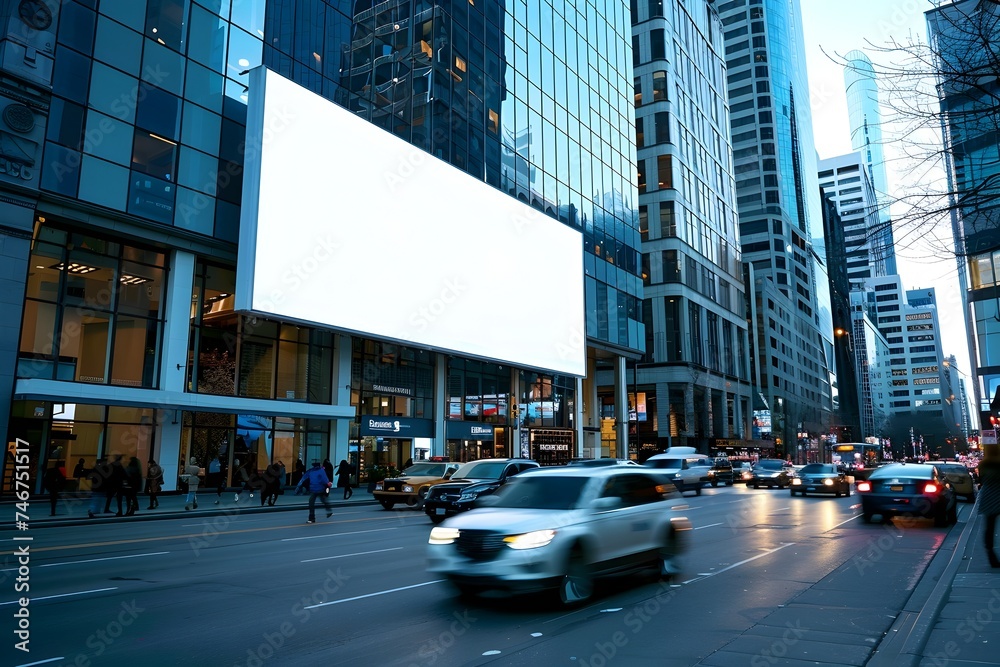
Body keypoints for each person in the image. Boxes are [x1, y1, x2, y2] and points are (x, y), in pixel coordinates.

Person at [978, 444, 1000, 568]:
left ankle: (991, 554)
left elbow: (980, 480)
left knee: (989, 527)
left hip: (988, 496)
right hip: (998, 493)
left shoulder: (983, 465)